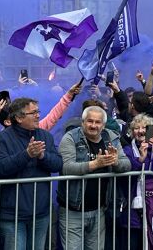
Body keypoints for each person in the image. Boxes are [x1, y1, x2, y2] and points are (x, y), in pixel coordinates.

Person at [0, 97, 62, 250]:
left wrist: (43, 156)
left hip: (41, 213)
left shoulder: (45, 136)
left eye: (38, 112)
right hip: (13, 215)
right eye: (33, 113)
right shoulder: (2, 138)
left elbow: (58, 164)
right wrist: (27, 154)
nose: (38, 115)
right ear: (18, 117)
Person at [57, 105, 131, 250]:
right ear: (83, 122)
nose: (93, 125)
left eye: (98, 122)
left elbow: (126, 165)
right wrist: (95, 164)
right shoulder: (70, 138)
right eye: (90, 121)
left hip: (99, 209)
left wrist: (115, 162)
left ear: (103, 125)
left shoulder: (111, 137)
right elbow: (66, 168)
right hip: (72, 211)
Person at [118, 114, 153, 250]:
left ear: (151, 130)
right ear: (132, 132)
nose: (141, 131)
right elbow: (124, 171)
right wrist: (140, 160)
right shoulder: (127, 150)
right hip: (132, 208)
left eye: (145, 128)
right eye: (137, 128)